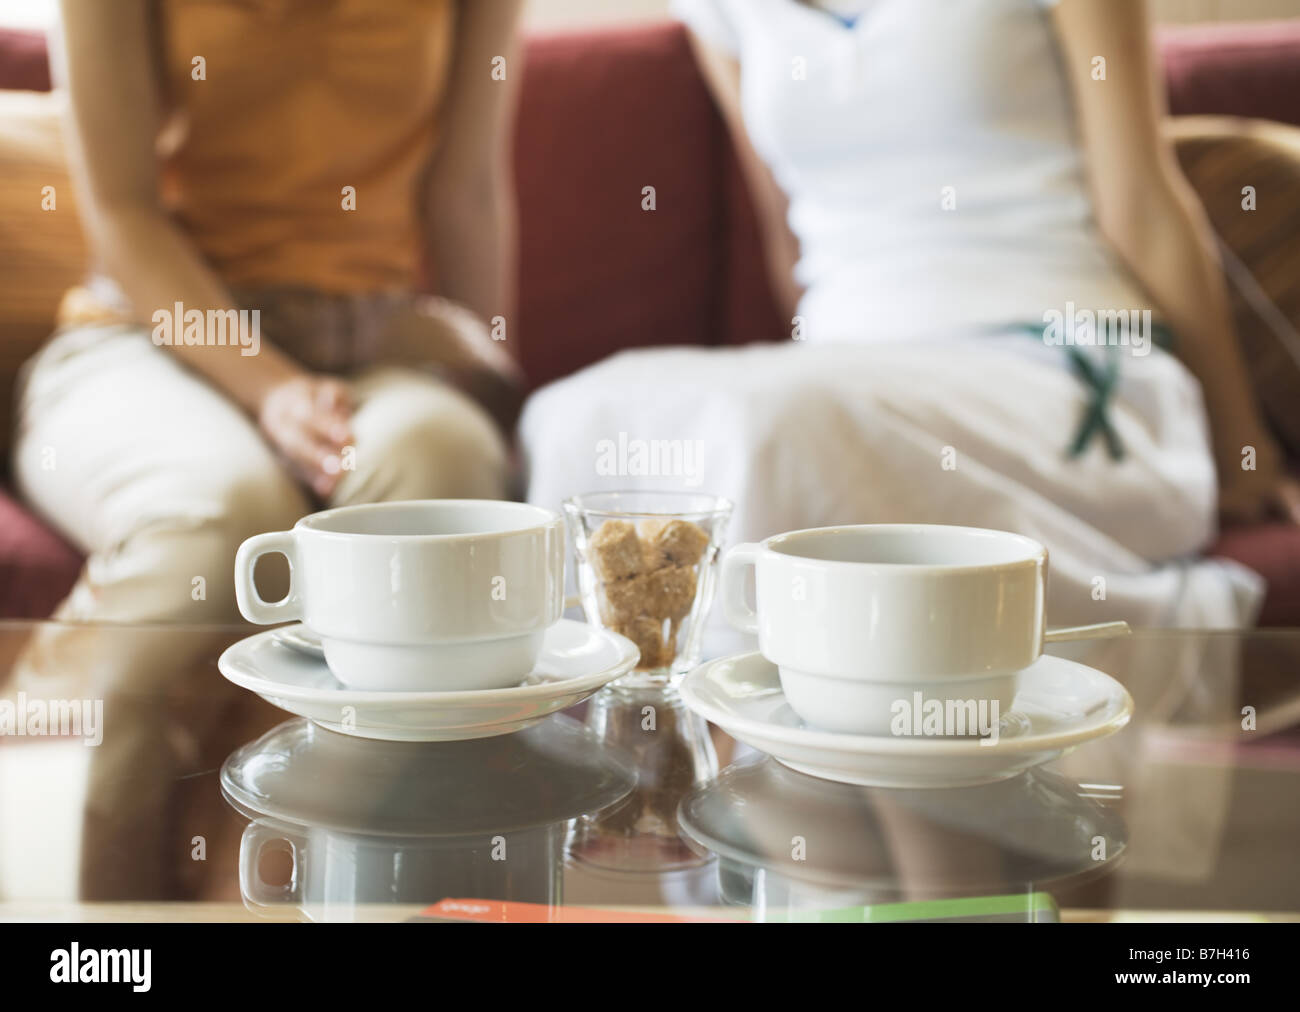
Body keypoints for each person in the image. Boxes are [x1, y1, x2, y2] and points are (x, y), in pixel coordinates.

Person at [522, 0, 1299, 635]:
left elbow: (1143, 200)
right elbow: (783, 230)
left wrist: (1240, 447)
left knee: (778, 433)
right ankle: (673, 787)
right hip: (853, 370)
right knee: (577, 418)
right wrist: (829, 383)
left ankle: (783, 781)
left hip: (1062, 361)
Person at [9, 0, 524, 899]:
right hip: (147, 335)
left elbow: (465, 186)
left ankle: (386, 896)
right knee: (223, 512)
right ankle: (94, 916)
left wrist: (495, 381)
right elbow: (124, 217)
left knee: (440, 476)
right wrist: (270, 387)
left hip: (369, 344)